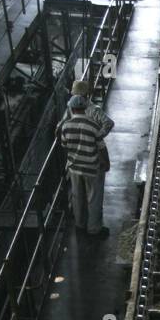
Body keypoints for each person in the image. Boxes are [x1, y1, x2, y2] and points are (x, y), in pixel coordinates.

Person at [58, 79, 114, 239]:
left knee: (77, 196)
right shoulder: (92, 124)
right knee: (94, 198)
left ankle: (79, 225)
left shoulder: (66, 124)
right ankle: (94, 229)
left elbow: (64, 145)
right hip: (92, 165)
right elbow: (102, 147)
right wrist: (95, 138)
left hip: (75, 166)